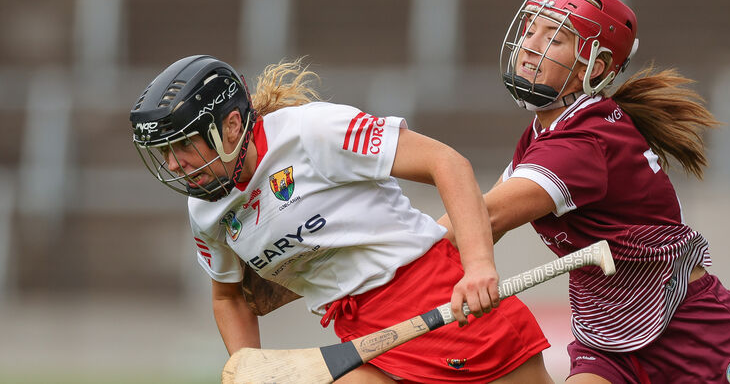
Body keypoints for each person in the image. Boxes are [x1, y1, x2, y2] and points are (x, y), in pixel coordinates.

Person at [129, 55, 554, 383]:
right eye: (164, 152)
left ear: (232, 124)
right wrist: (249, 368)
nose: (174, 164)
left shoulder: (311, 133)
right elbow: (230, 297)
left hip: (441, 301)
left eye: (183, 144)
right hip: (364, 338)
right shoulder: (205, 210)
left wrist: (479, 265)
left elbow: (447, 163)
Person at [440, 0, 730, 383]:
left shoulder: (584, 141)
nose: (531, 43)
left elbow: (485, 218)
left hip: (687, 327)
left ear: (594, 67)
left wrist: (380, 257)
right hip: (607, 334)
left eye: (555, 37)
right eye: (531, 28)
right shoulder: (545, 134)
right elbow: (470, 225)